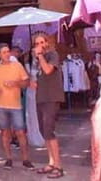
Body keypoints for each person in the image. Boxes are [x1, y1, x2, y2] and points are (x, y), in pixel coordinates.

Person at [0, 43, 34, 171]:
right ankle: (8, 159)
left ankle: (25, 159)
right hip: (0, 105)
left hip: (15, 105)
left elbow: (27, 82)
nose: (7, 54)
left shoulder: (17, 66)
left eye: (8, 51)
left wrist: (16, 83)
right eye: (4, 52)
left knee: (20, 133)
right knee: (5, 133)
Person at [32, 33, 65, 178]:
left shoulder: (52, 55)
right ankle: (51, 162)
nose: (39, 45)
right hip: (41, 98)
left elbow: (48, 70)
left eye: (41, 42)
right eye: (36, 43)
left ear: (46, 43)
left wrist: (40, 56)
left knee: (50, 131)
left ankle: (58, 166)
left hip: (51, 98)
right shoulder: (38, 60)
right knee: (44, 131)